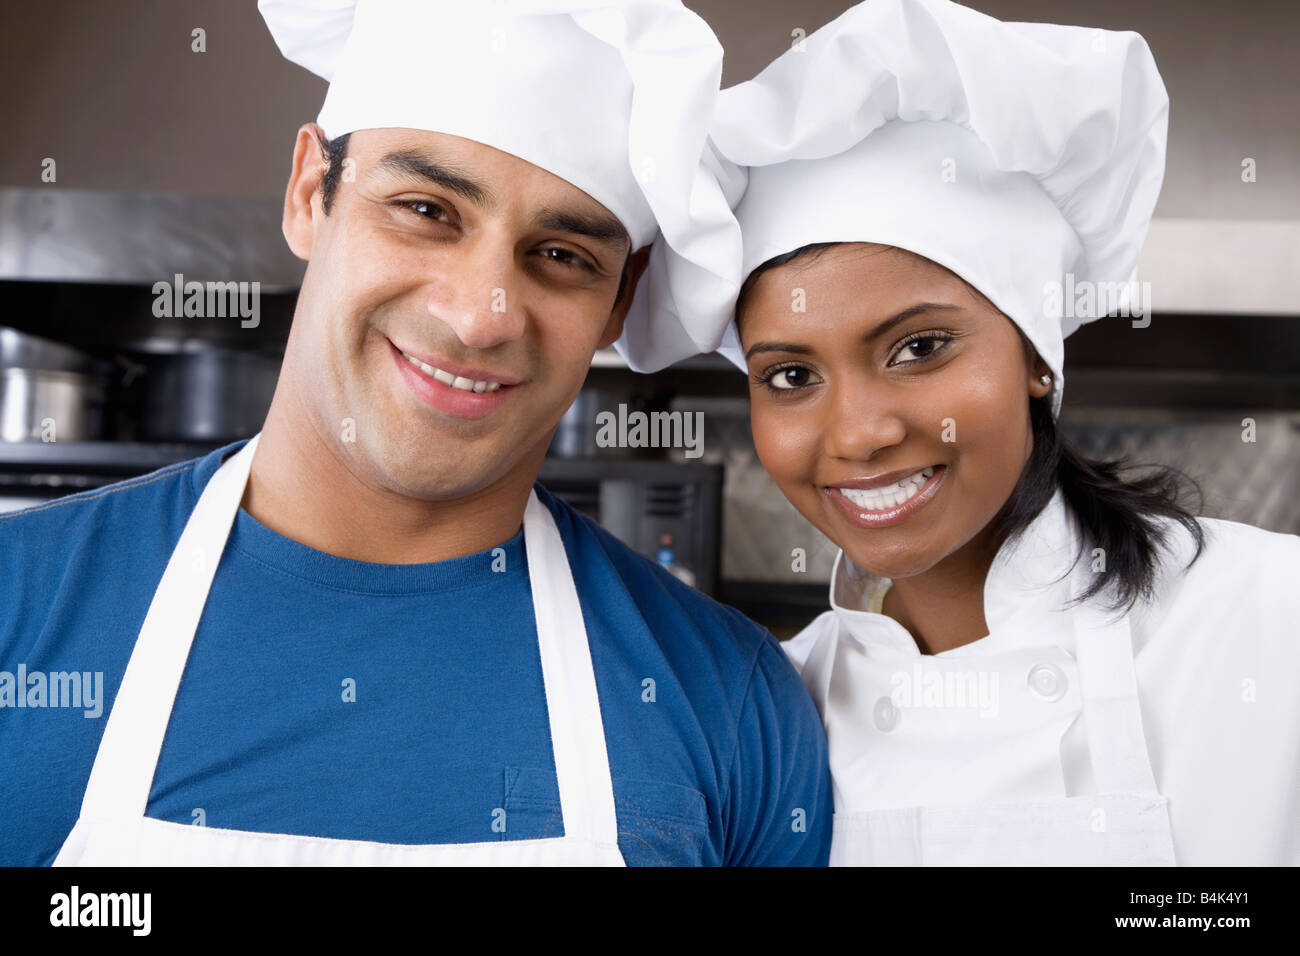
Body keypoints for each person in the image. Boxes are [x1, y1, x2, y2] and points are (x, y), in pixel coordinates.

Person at [0, 0, 831, 866]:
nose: (480, 317)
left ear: (619, 301)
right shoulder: (17, 609)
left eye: (561, 255)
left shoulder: (731, 705)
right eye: (427, 210)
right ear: (307, 193)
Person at [696, 0, 1299, 865]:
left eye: (919, 348)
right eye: (791, 376)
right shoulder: (774, 717)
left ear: (1036, 357)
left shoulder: (1268, 621)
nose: (859, 434)